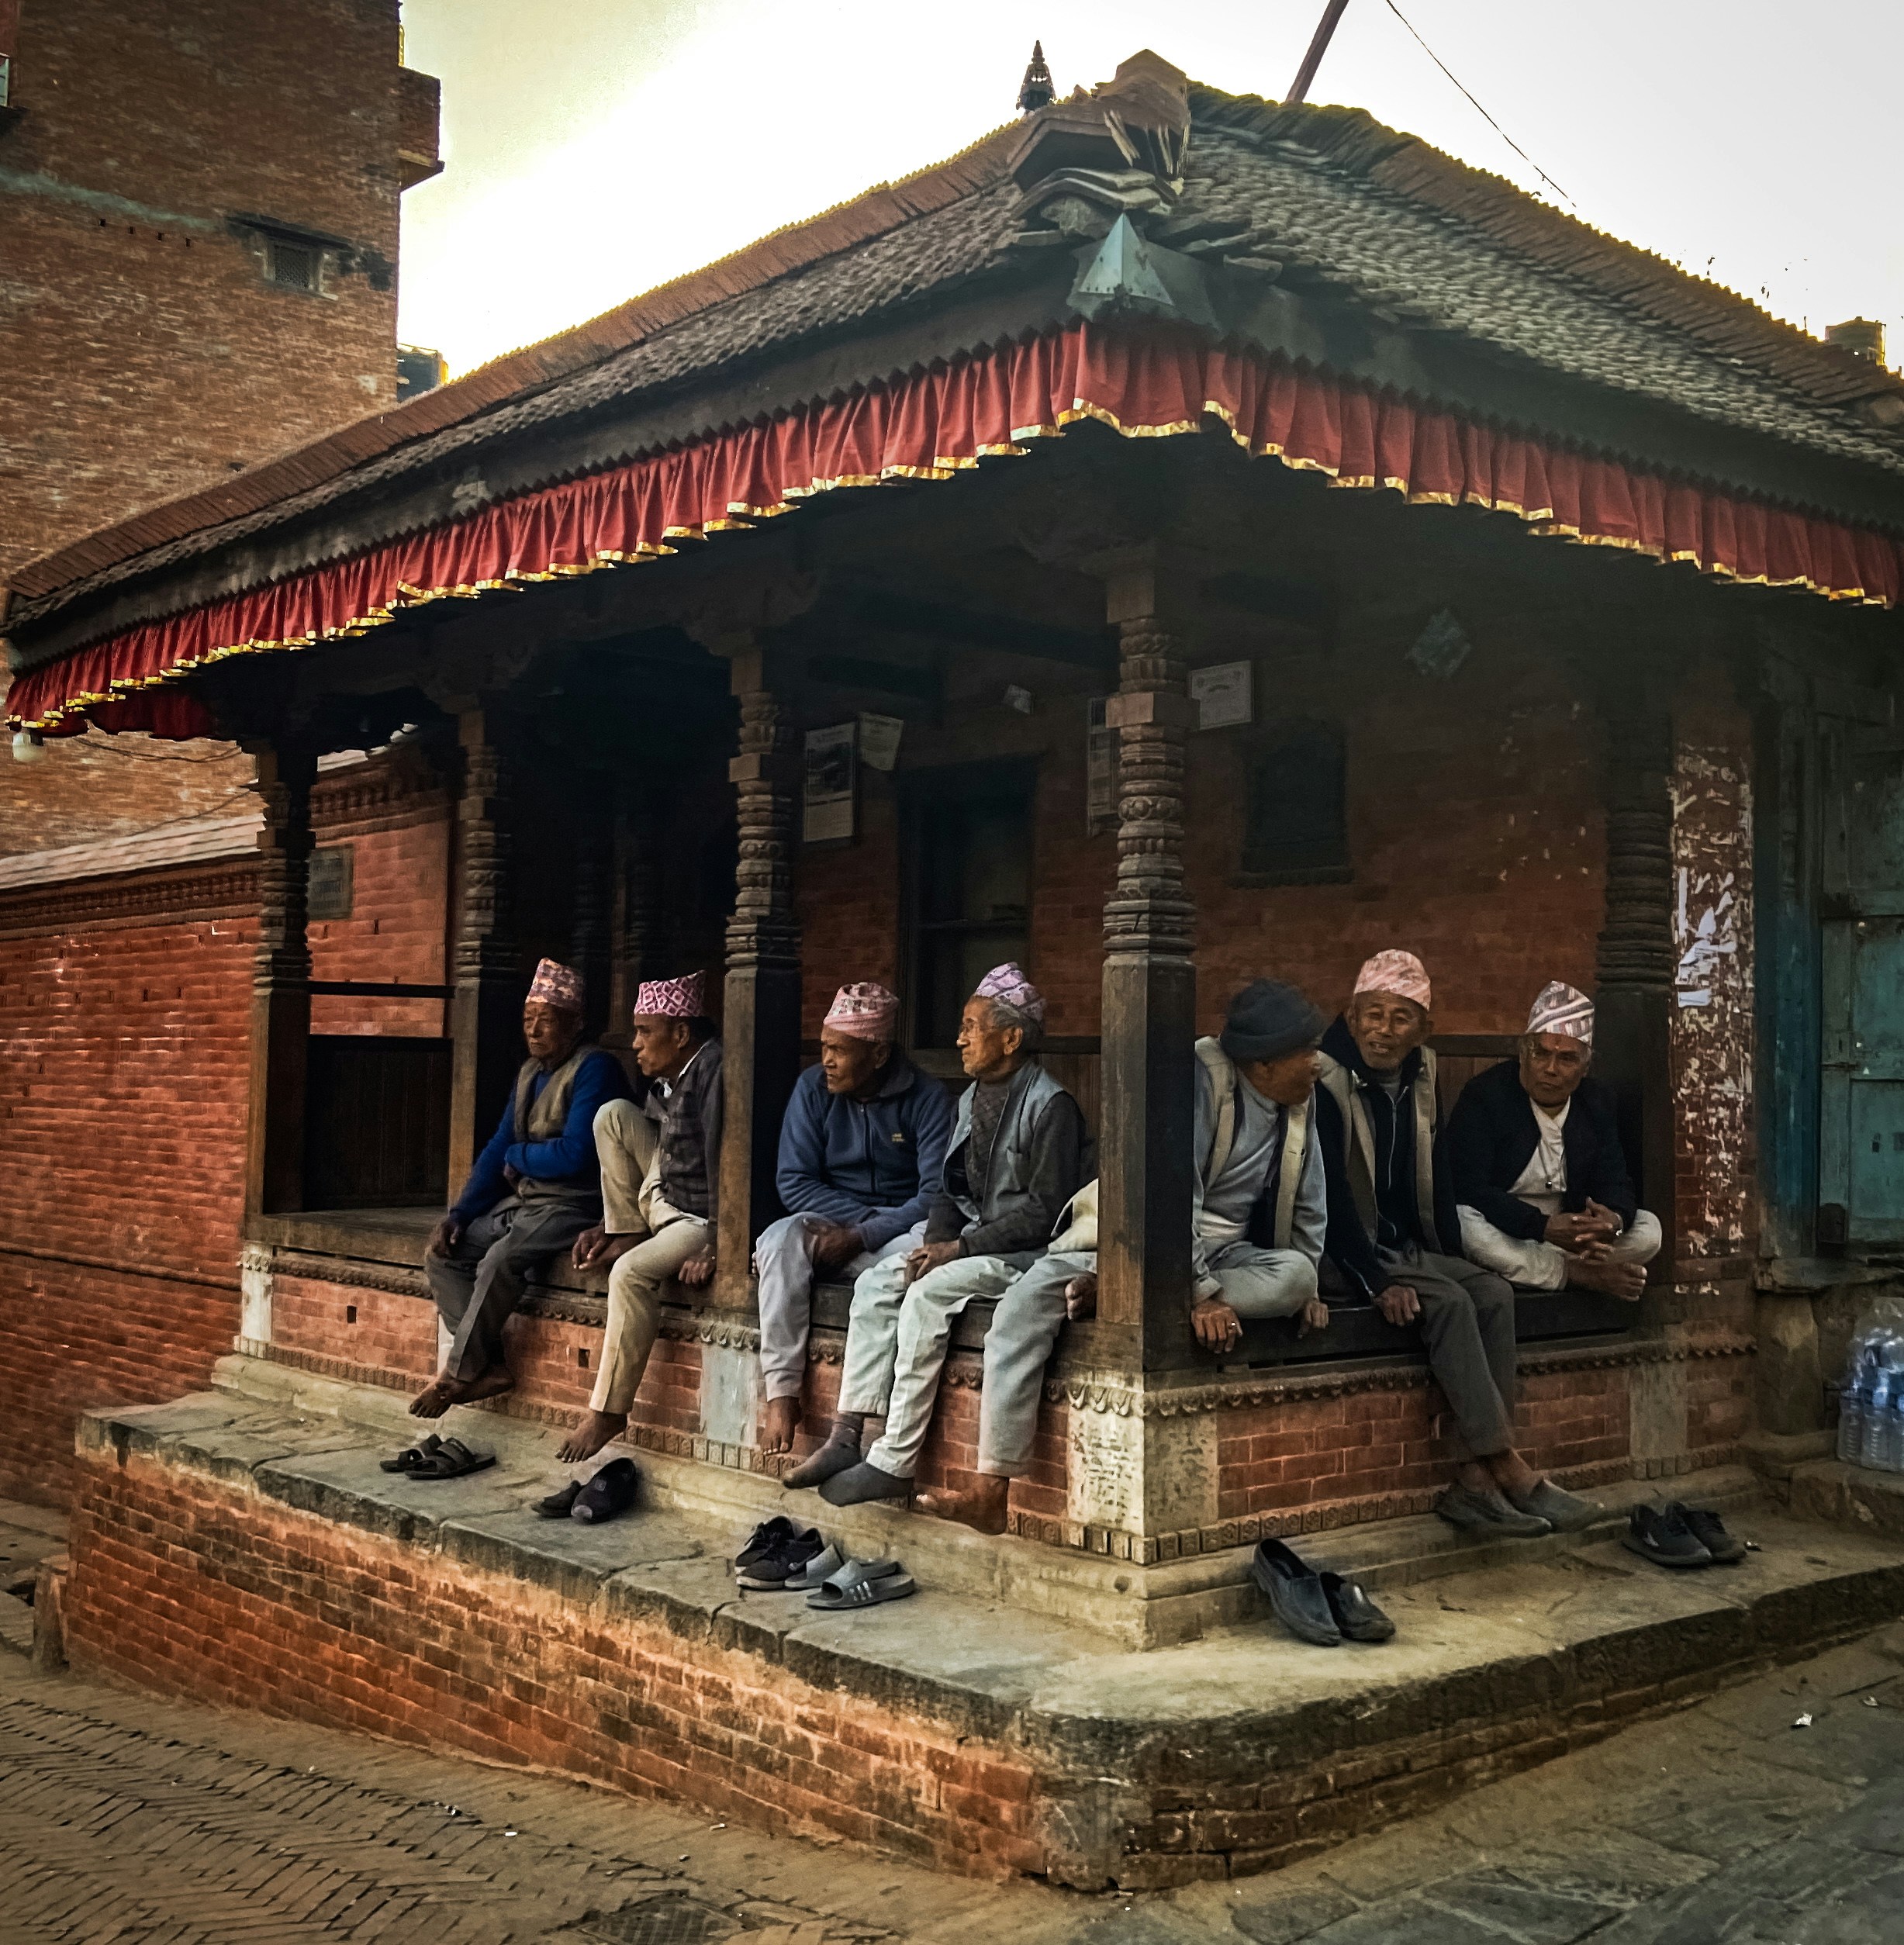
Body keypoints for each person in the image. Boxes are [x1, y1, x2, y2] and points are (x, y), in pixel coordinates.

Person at [924, 977, 1332, 1535]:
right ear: (1261, 1065)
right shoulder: (1202, 1082)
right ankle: (990, 1488)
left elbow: (1310, 1203)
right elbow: (1167, 1194)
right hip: (1125, 1240)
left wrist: (1305, 1291)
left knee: (1295, 1276)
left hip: (1224, 1251)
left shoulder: (1301, 1102)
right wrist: (1197, 1292)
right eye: (1305, 1053)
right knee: (1020, 1308)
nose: (1317, 1064)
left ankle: (1117, 1296)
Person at [1314, 949, 1598, 1537]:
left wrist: (1448, 1253)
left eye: (1399, 1018)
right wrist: (1376, 1280)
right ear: (1349, 1016)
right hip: (1343, 1253)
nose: (1382, 1031)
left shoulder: (1421, 1075)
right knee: (1446, 1301)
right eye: (1371, 1015)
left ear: (1423, 1029)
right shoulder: (1325, 1079)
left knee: (1489, 1291)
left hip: (1402, 1243)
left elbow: (1435, 1177)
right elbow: (1329, 1196)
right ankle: (1504, 1466)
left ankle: (1474, 1482)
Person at [784, 963, 1090, 1507]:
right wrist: (936, 1243)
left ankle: (895, 1460)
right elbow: (947, 1190)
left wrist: (957, 1250)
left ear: (1011, 1037)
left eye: (972, 1027)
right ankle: (847, 1433)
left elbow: (1044, 1214)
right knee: (878, 1282)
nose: (959, 1039)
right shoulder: (973, 1098)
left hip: (1020, 1254)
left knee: (927, 1296)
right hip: (970, 1243)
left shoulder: (1052, 1107)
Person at [414, 959, 631, 1418]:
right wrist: (460, 1213)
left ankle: (455, 1375)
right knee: (444, 1254)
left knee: (501, 1259)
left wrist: (519, 1157)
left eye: (546, 1020)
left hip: (576, 1203)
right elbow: (500, 1145)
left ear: (575, 1025)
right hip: (527, 1200)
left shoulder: (595, 1068)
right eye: (528, 1019)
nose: (534, 1030)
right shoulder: (531, 1071)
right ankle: (488, 1365)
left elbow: (578, 1155)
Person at [755, 982, 952, 1455]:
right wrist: (853, 1226)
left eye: (839, 1050)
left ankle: (861, 1428)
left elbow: (935, 1195)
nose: (827, 1060)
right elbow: (794, 1181)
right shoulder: (812, 1088)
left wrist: (864, 1233)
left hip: (900, 1229)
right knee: (778, 1239)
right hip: (833, 1221)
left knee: (921, 1251)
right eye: (824, 1047)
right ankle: (781, 1393)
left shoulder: (928, 1097)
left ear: (879, 1054)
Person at [557, 972, 722, 1464]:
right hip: (664, 1198)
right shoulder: (671, 1078)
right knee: (612, 1114)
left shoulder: (714, 1072)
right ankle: (626, 1229)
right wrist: (612, 1221)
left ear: (681, 1034)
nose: (635, 1045)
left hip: (699, 1218)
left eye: (645, 1031)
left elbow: (730, 1164)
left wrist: (722, 1242)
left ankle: (609, 1409)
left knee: (627, 1274)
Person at [1447, 980, 1661, 1300]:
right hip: (1508, 1228)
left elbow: (1615, 1179)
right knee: (1464, 1225)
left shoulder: (1597, 1102)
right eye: (1541, 1054)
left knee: (1649, 1230)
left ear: (1585, 1067)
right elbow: (1468, 1189)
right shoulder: (1485, 1096)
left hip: (1571, 1235)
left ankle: (1543, 1270)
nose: (1550, 1069)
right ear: (1523, 1055)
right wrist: (1542, 1227)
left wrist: (1611, 1222)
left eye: (1566, 1059)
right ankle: (1577, 1274)